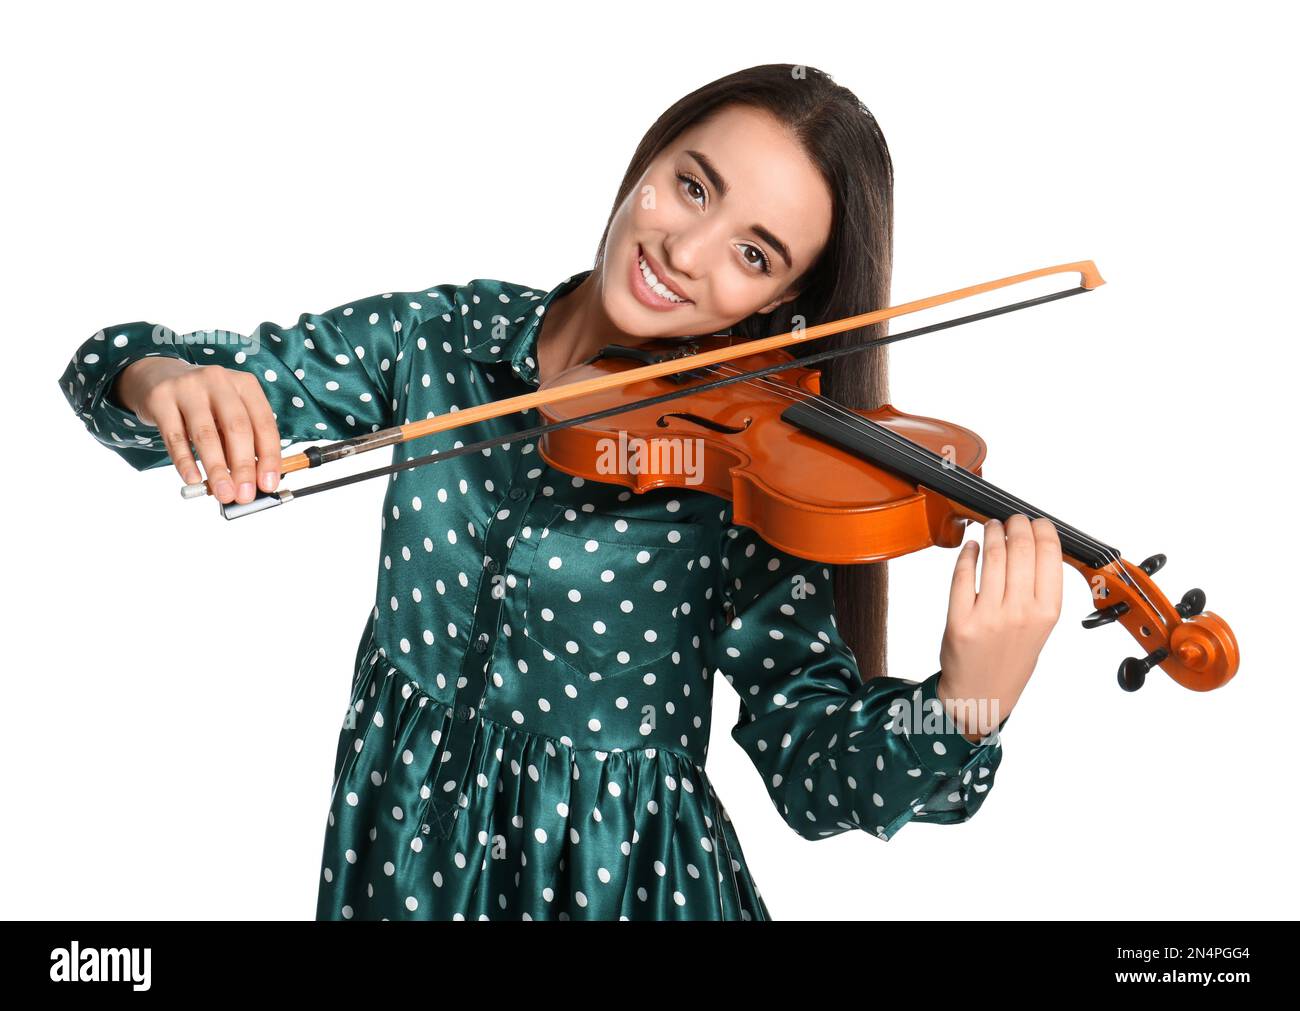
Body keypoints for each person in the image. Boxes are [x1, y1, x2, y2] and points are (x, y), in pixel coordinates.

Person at [56, 64, 1063, 920]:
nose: (685, 252)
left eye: (754, 255)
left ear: (782, 305)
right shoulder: (438, 340)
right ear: (647, 159)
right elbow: (132, 370)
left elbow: (813, 773)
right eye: (692, 186)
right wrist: (164, 383)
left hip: (617, 882)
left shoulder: (746, 467)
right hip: (395, 842)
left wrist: (965, 704)